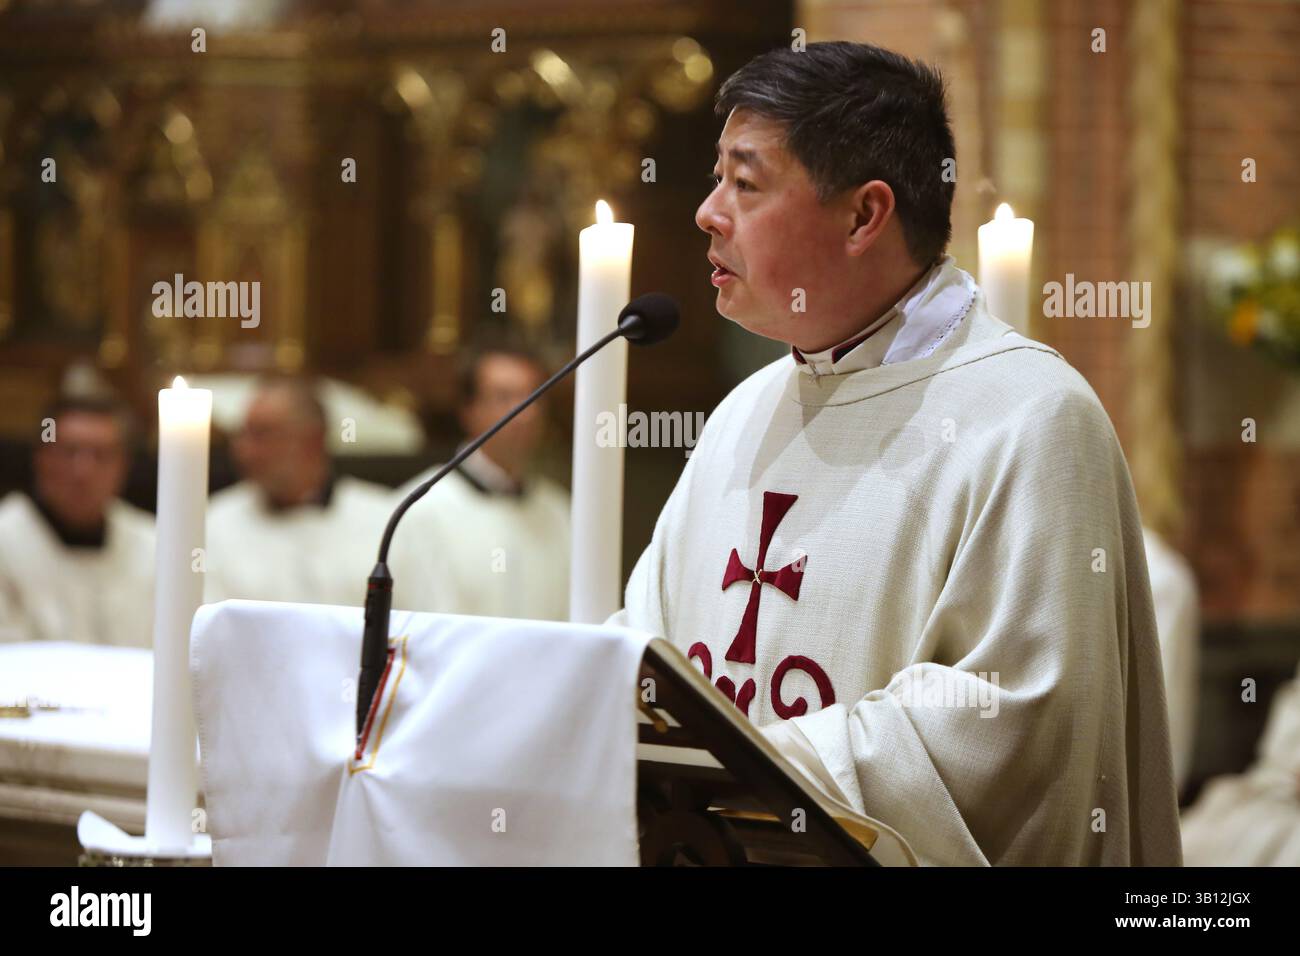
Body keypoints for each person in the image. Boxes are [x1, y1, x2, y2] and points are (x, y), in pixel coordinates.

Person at [609, 41, 1181, 865]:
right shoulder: (743, 413)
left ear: (863, 215)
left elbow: (1016, 730)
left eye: (745, 181)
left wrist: (754, 770)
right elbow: (649, 648)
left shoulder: (1030, 419)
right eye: (715, 177)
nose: (706, 211)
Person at [388, 344, 571, 620]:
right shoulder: (420, 508)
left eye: (534, 397)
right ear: (468, 410)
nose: (526, 413)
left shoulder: (558, 509)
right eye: (504, 397)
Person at [204, 376, 392, 607]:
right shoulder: (216, 521)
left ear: (314, 440)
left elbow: (414, 624)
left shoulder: (384, 519)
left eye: (262, 434)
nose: (245, 451)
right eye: (242, 434)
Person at [0, 394, 155, 646]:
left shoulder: (151, 543)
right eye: (69, 452)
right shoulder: (6, 542)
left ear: (123, 466)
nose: (83, 471)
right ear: (41, 458)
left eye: (101, 455)